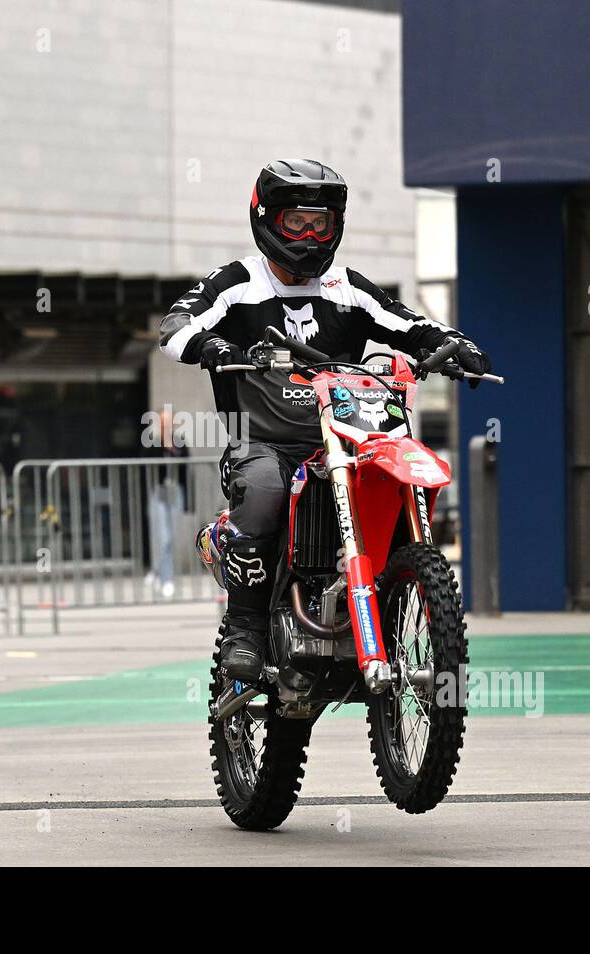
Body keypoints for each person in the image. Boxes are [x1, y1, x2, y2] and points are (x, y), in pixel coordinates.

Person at [157, 159, 491, 681]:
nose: (311, 236)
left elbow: (405, 321)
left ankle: (396, 601)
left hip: (349, 440)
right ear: (266, 218)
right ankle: (245, 627)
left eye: (322, 224)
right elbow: (175, 325)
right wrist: (212, 345)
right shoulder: (238, 282)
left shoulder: (346, 286)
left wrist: (452, 344)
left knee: (399, 479)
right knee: (266, 489)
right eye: (297, 223)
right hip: (264, 444)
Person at [143, 407, 189, 598]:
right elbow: (146, 462)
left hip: (175, 490)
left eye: (168, 421)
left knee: (170, 537)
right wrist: (163, 446)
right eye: (162, 421)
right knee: (163, 536)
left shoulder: (179, 442)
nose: (166, 425)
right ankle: (166, 579)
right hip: (160, 491)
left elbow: (186, 464)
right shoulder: (153, 441)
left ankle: (156, 570)